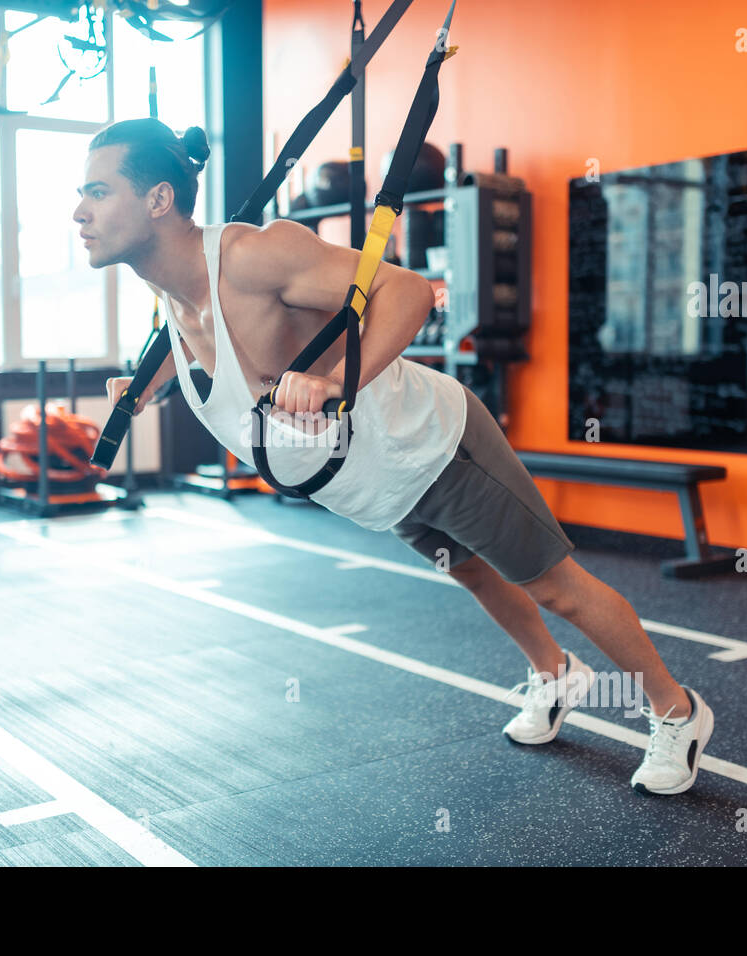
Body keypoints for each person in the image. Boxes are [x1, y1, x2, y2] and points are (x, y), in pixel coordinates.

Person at [78, 118, 714, 795]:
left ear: (158, 201)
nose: (79, 212)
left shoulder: (249, 259)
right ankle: (558, 675)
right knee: (471, 573)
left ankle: (677, 711)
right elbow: (231, 355)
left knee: (554, 585)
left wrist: (333, 384)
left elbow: (410, 291)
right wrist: (146, 386)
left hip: (432, 447)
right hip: (378, 484)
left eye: (97, 191)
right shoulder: (173, 299)